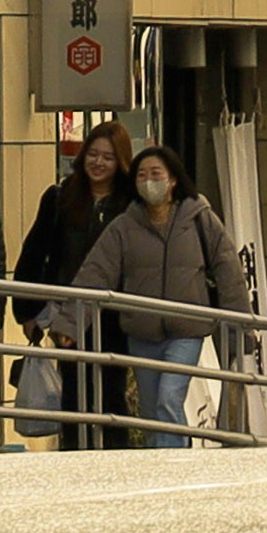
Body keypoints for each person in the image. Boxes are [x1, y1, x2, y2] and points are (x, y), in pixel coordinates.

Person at [91, 142, 241, 445]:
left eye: (156, 173)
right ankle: (162, 470)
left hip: (187, 331)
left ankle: (175, 469)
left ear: (172, 179)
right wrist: (68, 321)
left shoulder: (199, 218)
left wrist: (241, 332)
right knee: (151, 413)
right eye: (142, 175)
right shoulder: (125, 226)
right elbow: (95, 271)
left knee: (168, 399)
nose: (149, 181)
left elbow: (229, 272)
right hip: (142, 334)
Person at [13, 120, 138, 449]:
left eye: (108, 157)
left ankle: (113, 461)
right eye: (93, 154)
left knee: (111, 392)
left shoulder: (131, 206)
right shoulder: (60, 197)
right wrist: (27, 311)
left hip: (115, 316)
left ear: (121, 162)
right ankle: (74, 457)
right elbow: (33, 254)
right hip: (67, 312)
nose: (98, 162)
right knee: (73, 391)